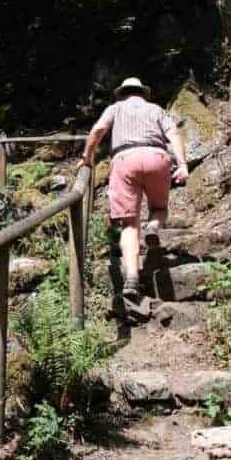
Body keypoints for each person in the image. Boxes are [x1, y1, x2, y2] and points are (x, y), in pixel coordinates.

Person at [81, 77, 189, 301]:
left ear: (122, 93)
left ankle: (131, 277)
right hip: (156, 157)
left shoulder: (116, 108)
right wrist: (182, 164)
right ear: (143, 93)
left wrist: (88, 158)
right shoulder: (156, 109)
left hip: (125, 159)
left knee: (129, 223)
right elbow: (174, 134)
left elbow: (98, 130)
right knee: (159, 208)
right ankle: (153, 226)